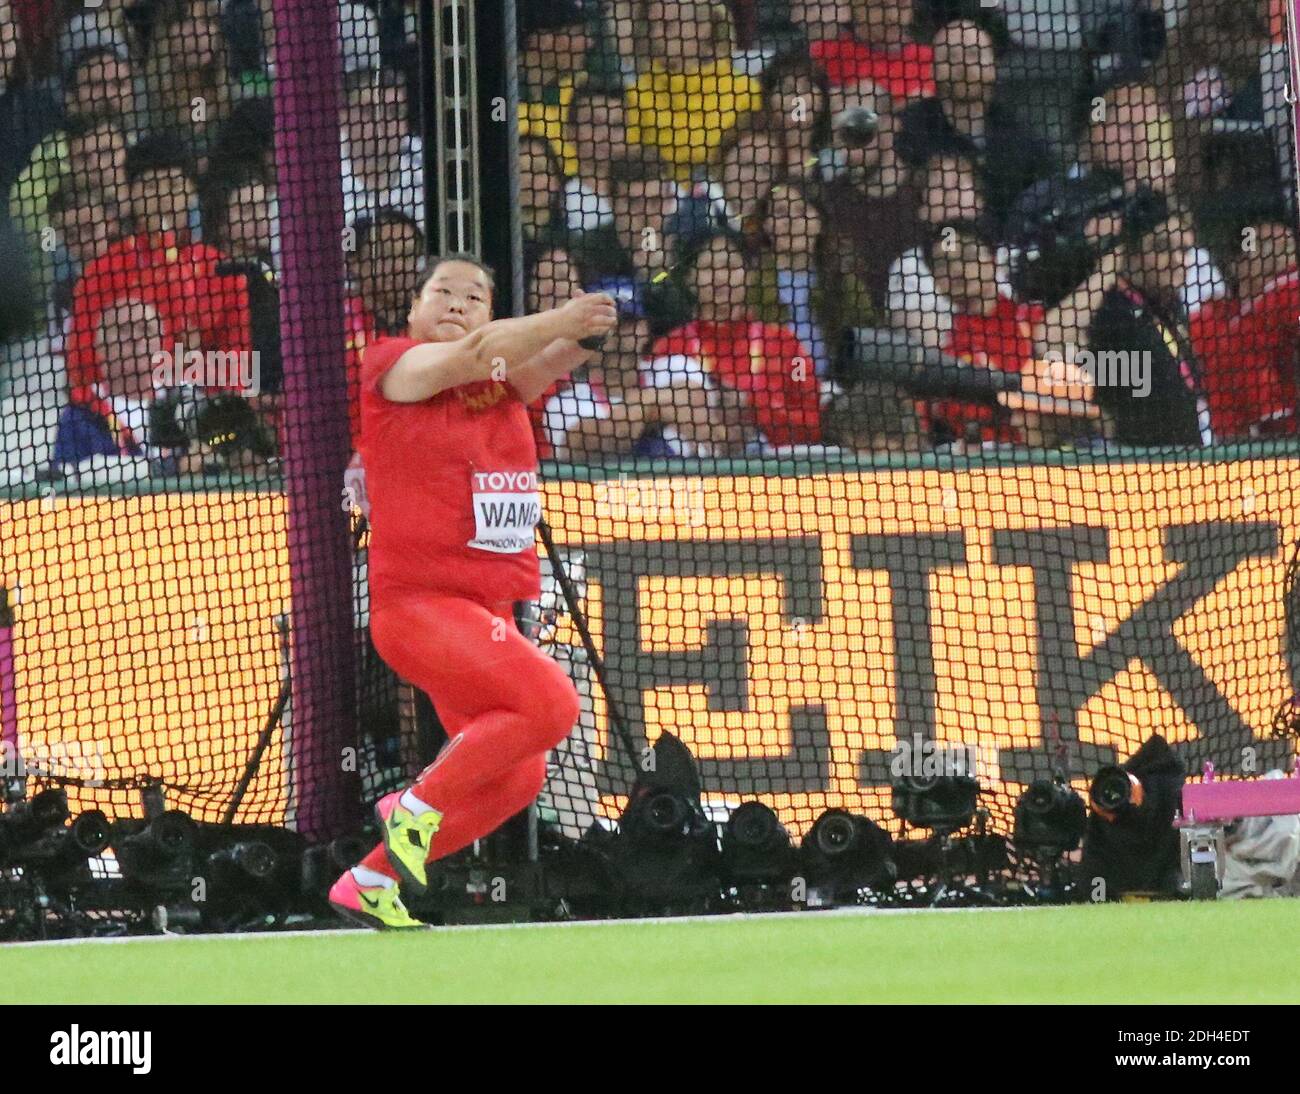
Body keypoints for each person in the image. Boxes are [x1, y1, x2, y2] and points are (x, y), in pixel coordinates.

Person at [328, 256, 618, 929]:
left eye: (474, 297)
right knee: (553, 702)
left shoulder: (492, 385)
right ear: (413, 308)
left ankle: (368, 879)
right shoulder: (394, 365)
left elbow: (535, 365)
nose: (457, 304)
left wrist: (588, 330)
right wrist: (559, 321)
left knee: (520, 777)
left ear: (490, 312)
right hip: (421, 605)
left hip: (480, 610)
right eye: (443, 292)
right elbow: (484, 350)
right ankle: (412, 805)